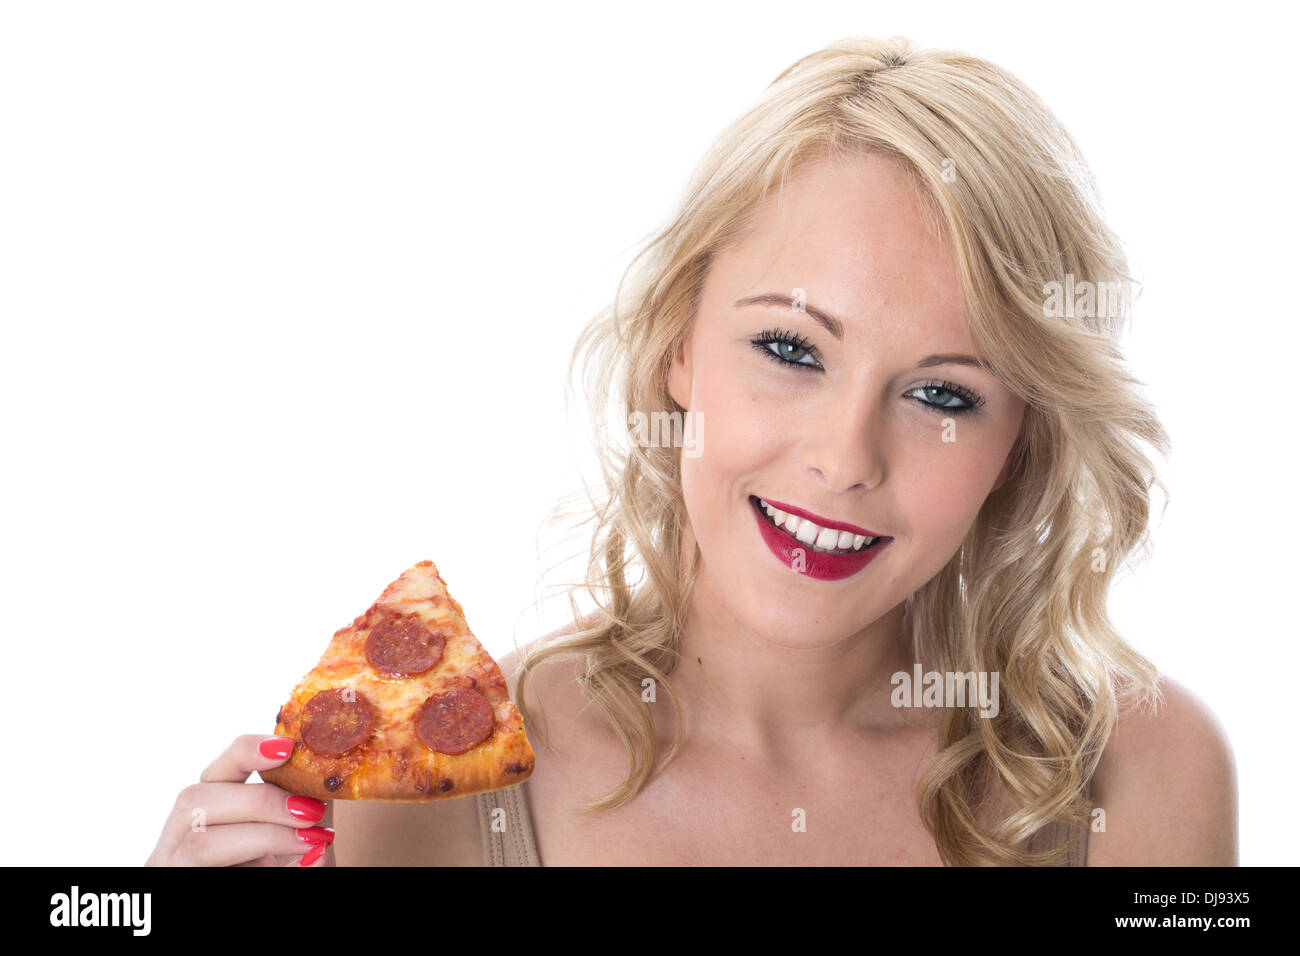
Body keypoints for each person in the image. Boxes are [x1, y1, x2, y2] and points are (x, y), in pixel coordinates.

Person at [147, 34, 1237, 867]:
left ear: (1023, 441)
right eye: (789, 348)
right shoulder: (423, 789)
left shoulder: (1147, 777)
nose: (843, 455)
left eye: (942, 390)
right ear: (678, 345)